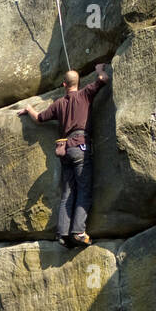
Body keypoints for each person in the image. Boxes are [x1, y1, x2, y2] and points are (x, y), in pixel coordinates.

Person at [18, 64, 111, 247]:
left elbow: (39, 119)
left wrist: (29, 109)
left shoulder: (58, 104)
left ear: (63, 85)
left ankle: (62, 233)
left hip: (64, 150)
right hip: (80, 147)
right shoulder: (85, 94)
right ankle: (78, 232)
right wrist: (99, 69)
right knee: (84, 189)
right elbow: (103, 79)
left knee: (68, 192)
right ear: (77, 82)